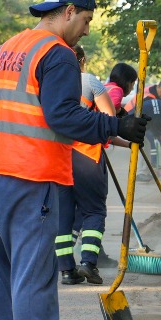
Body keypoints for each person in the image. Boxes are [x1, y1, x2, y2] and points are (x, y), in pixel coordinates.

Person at [0, 0, 149, 320]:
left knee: (1, 275)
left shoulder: (6, 50)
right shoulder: (59, 56)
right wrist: (116, 125)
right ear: (67, 12)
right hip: (30, 181)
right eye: (85, 20)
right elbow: (64, 117)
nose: (86, 30)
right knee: (35, 276)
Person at [58, 44, 114, 285]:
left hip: (57, 156)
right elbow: (110, 122)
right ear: (80, 60)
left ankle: (66, 271)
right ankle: (89, 263)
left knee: (64, 215)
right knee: (93, 210)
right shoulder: (89, 81)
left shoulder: (49, 84)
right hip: (87, 155)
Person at [143, 78, 161, 173]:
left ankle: (150, 166)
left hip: (143, 122)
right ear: (157, 87)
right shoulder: (150, 97)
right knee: (148, 143)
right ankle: (144, 172)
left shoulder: (155, 97)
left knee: (151, 141)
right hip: (133, 119)